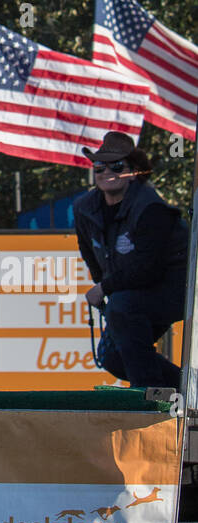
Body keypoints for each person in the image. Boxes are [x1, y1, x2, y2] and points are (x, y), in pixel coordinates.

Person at [74, 131, 189, 389]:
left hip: (176, 288)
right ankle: (188, 389)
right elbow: (88, 251)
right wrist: (104, 283)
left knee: (123, 307)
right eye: (99, 167)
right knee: (111, 356)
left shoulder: (151, 208)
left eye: (116, 166)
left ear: (134, 171)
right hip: (131, 291)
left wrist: (105, 288)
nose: (106, 172)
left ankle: (147, 397)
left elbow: (149, 268)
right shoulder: (83, 207)